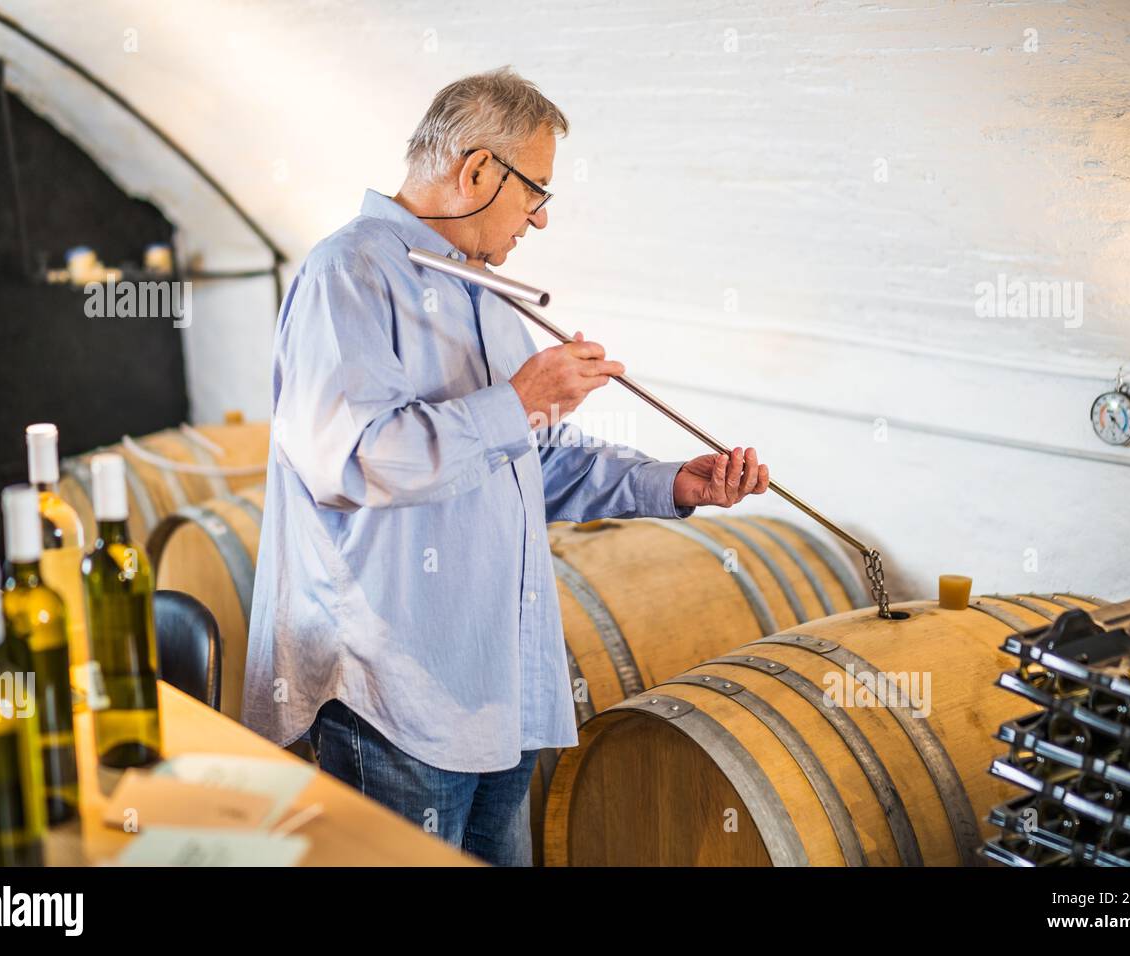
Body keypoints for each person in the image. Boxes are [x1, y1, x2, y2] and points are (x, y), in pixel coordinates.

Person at [242, 67, 769, 865]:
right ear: (479, 170)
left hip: (497, 686)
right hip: (393, 694)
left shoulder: (482, 289)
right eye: (536, 190)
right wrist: (521, 399)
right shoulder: (346, 273)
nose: (542, 217)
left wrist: (670, 482)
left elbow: (528, 462)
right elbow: (354, 461)